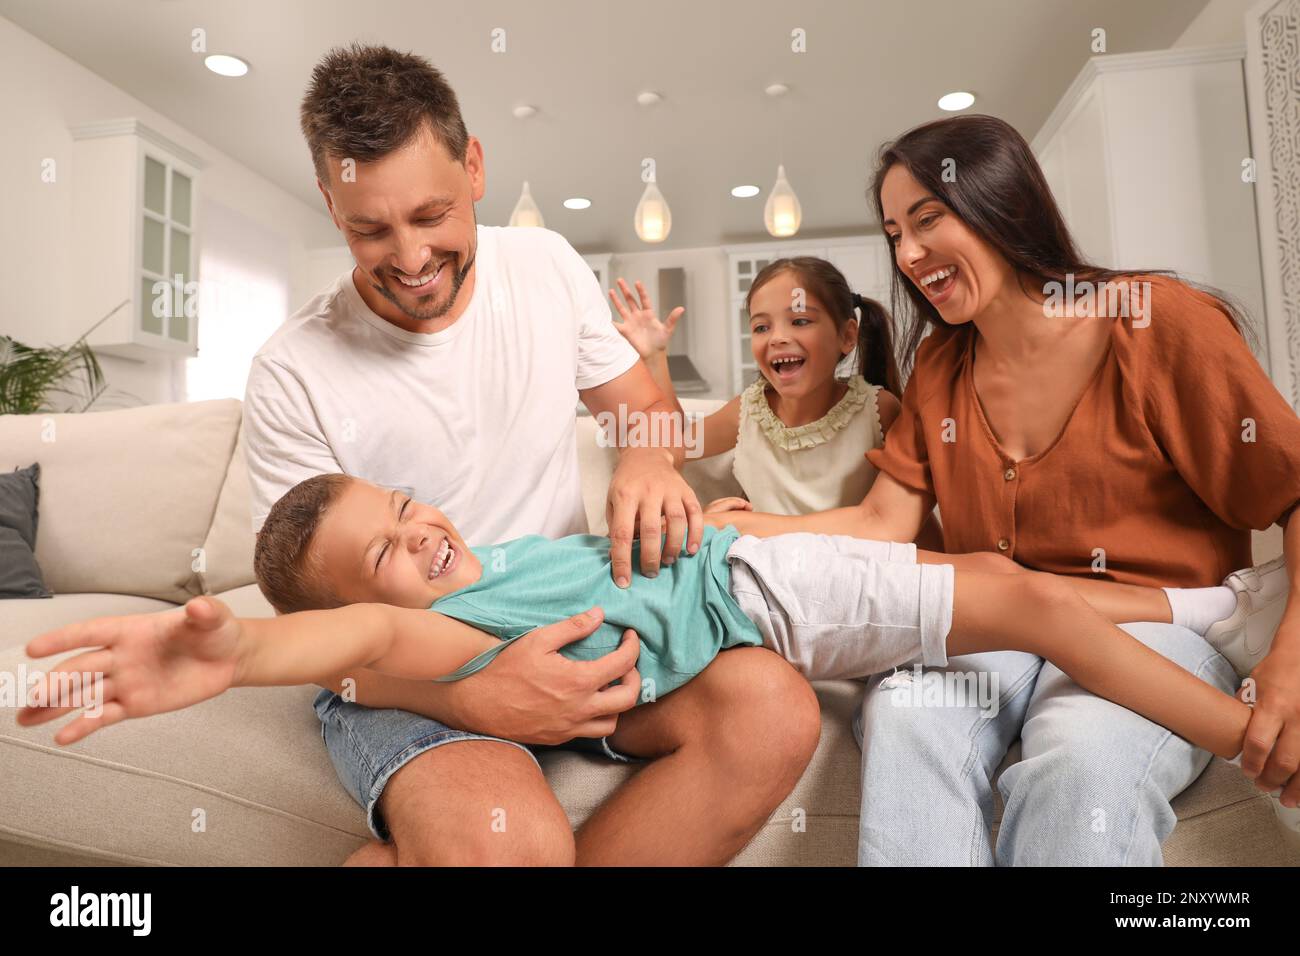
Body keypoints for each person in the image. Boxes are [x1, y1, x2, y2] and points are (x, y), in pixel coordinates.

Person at [240, 42, 820, 866]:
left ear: (474, 168)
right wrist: (474, 692)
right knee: (508, 849)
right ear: (333, 207)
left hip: (579, 620)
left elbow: (648, 414)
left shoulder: (545, 266)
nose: (409, 260)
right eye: (370, 229)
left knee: (774, 711)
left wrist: (646, 461)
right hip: (414, 675)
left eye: (431, 216)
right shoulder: (291, 370)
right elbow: (315, 633)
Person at [711, 114, 1300, 865]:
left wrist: (1291, 656)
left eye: (928, 219)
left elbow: (1293, 493)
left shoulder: (1156, 324)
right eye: (895, 233)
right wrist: (729, 529)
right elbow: (879, 522)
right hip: (995, 633)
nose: (910, 253)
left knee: (1080, 762)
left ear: (1004, 202)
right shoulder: (940, 369)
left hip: (1154, 630)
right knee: (906, 718)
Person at [20, 472, 1277, 785]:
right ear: (369, 603)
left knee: (1003, 574)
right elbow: (350, 651)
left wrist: (698, 504)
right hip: (763, 602)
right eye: (386, 555)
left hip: (745, 558)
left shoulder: (488, 549)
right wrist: (235, 649)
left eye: (406, 506)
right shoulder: (428, 633)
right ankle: (1257, 739)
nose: (421, 534)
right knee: (1029, 603)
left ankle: (1211, 606)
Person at [608, 258, 909, 520]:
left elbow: (904, 521)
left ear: (846, 336)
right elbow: (675, 443)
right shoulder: (749, 411)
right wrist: (654, 357)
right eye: (761, 327)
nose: (777, 337)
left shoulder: (879, 410)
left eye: (800, 320)